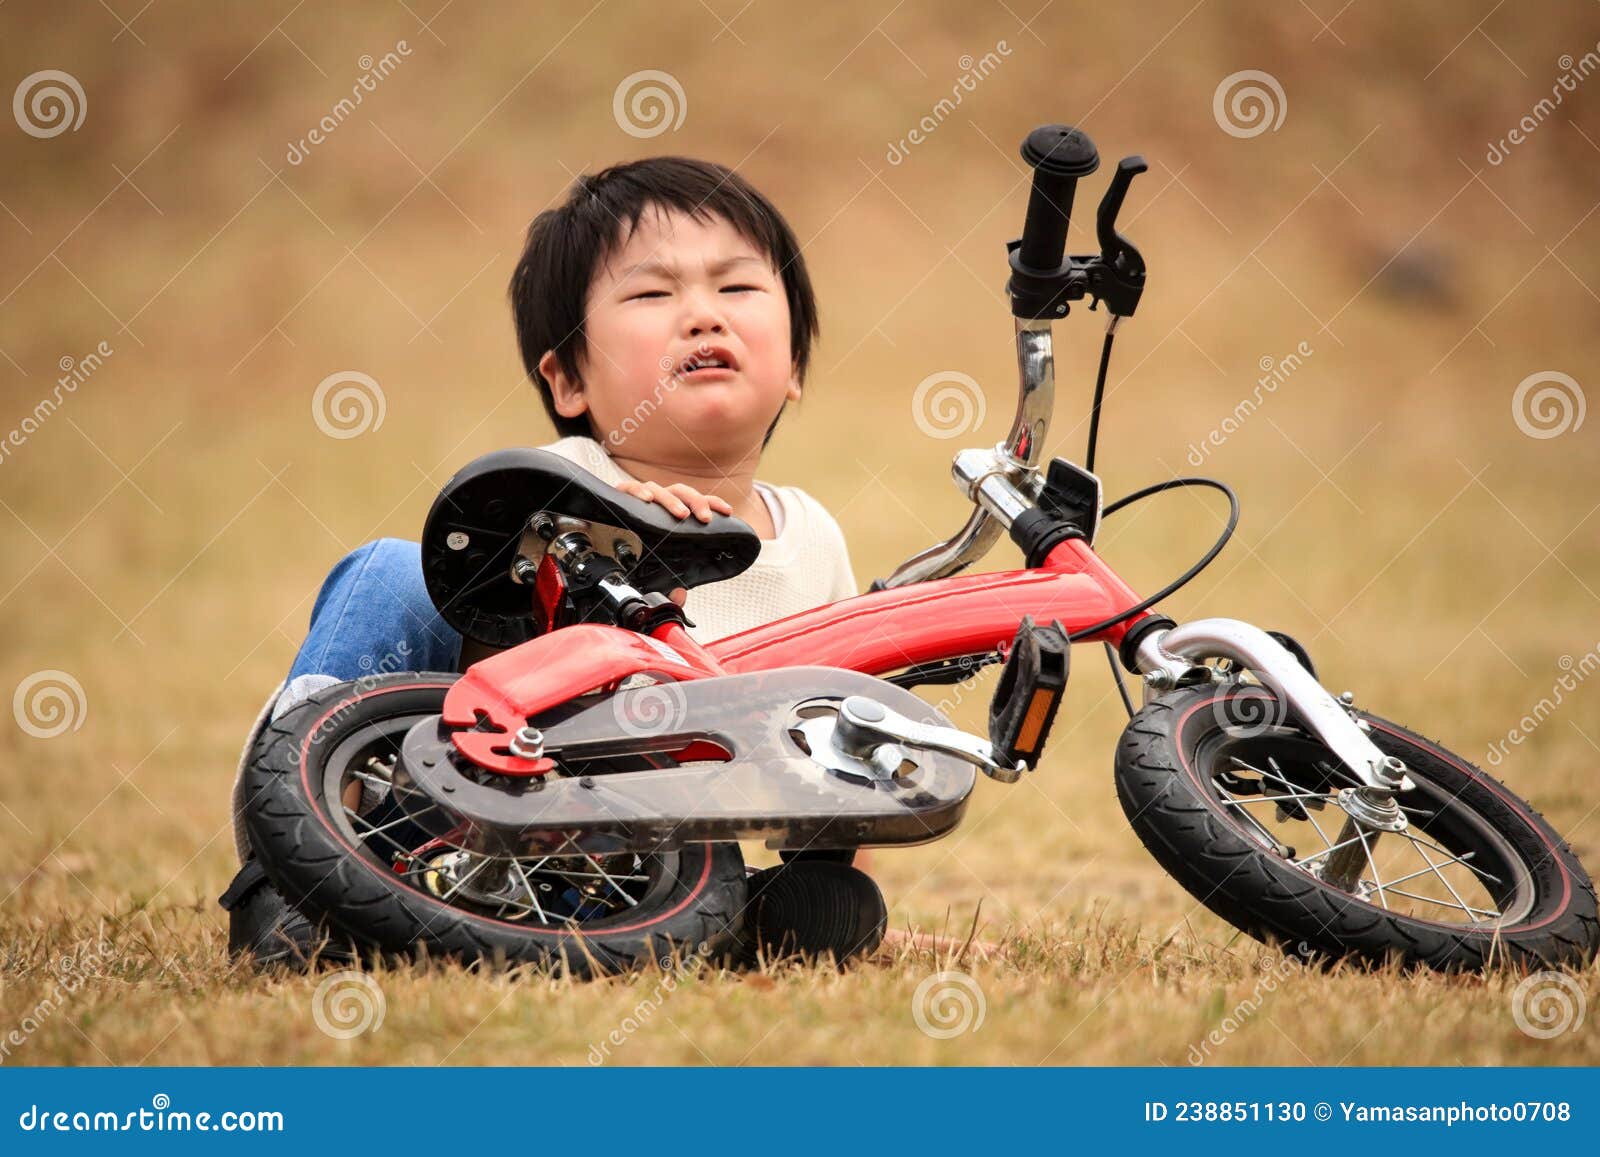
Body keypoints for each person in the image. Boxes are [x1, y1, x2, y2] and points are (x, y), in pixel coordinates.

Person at [220, 156, 880, 969]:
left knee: (839, 903)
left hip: (648, 868)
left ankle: (722, 927)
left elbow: (840, 750)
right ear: (568, 380)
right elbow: (492, 654)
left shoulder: (814, 537)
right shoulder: (552, 494)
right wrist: (628, 534)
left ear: (796, 368)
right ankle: (291, 883)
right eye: (652, 294)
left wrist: (844, 882)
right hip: (459, 830)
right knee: (389, 575)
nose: (704, 315)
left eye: (738, 286)